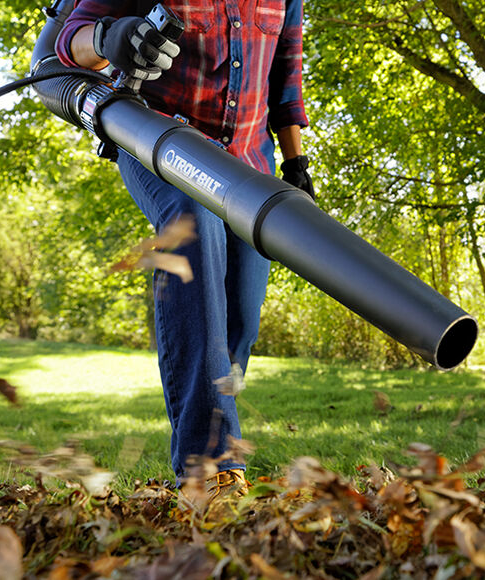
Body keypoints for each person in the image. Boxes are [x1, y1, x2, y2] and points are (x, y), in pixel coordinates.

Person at [54, 0, 313, 501]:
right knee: (195, 225)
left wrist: (295, 162)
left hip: (248, 159)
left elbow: (286, 74)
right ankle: (209, 470)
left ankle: (216, 440)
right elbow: (71, 39)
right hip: (159, 139)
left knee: (239, 316)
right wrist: (112, 37)